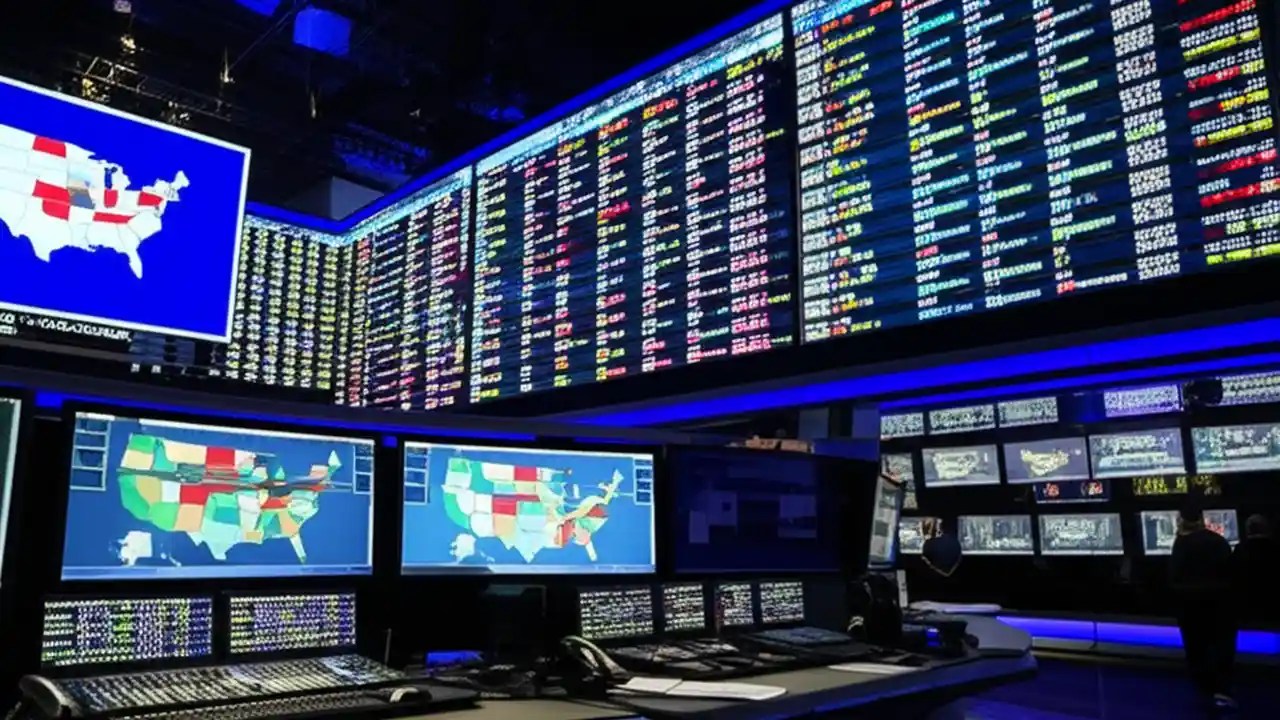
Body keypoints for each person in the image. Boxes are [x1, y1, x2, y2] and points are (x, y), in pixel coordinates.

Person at [1170, 500, 1237, 710]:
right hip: (1220, 605)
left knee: (1197, 650)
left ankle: (1203, 695)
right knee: (1220, 649)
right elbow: (1231, 572)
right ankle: (1222, 691)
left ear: (1182, 521)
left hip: (1190, 608)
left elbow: (1173, 576)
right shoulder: (1218, 541)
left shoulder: (1181, 545)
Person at [1231, 514, 1278, 627]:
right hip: (1274, 604)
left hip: (1246, 605)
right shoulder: (1276, 549)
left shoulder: (1239, 550)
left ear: (1247, 530)